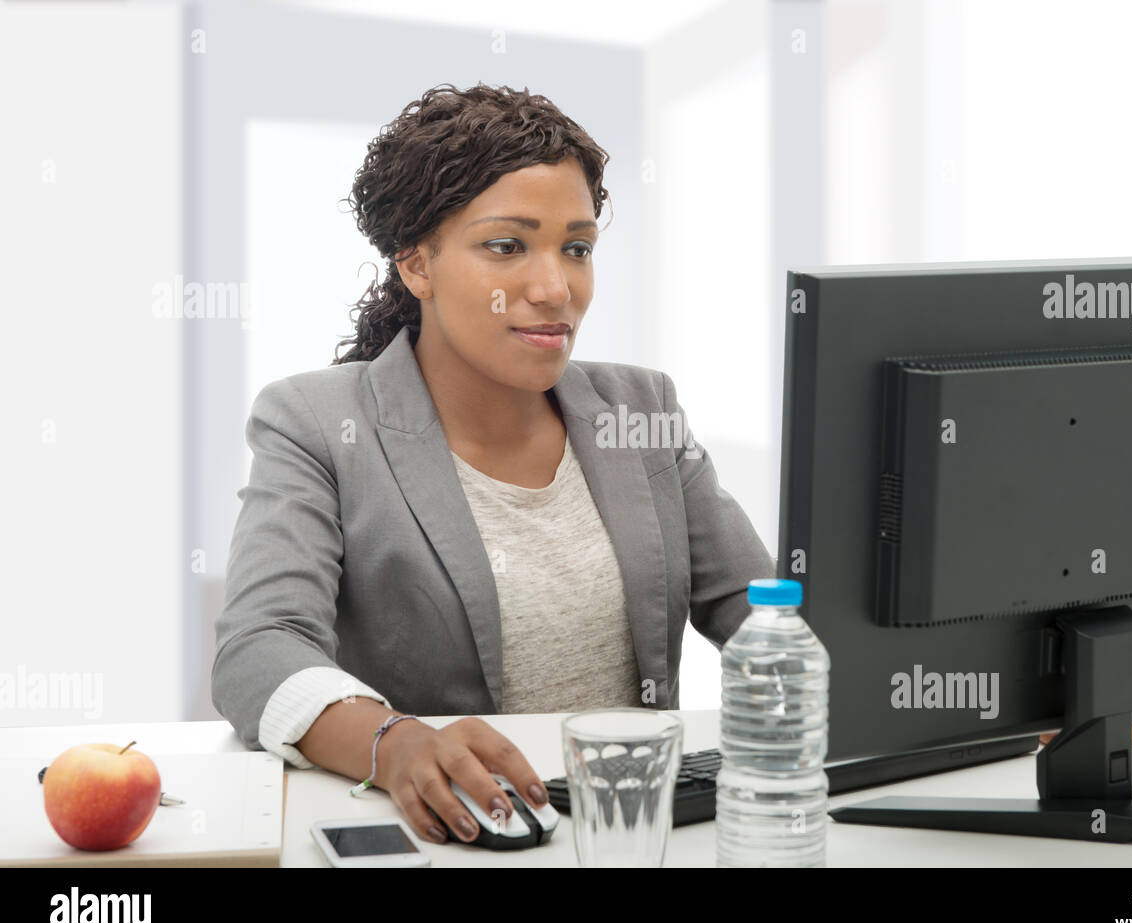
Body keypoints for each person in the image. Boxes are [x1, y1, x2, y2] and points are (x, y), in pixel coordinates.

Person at [211, 83, 776, 846]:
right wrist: (396, 741)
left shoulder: (639, 410)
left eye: (576, 248)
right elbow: (261, 646)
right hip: (453, 838)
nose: (554, 289)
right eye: (507, 246)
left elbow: (763, 619)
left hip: (635, 837)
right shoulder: (316, 422)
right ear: (417, 263)